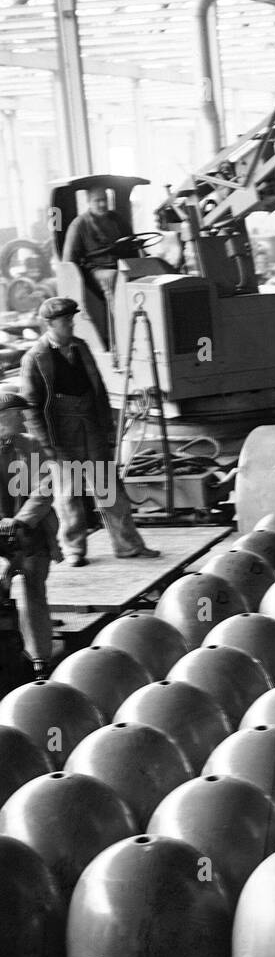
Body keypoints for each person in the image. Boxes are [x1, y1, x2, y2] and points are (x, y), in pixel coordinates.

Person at [19, 297, 159, 568]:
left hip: (91, 428)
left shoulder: (80, 348)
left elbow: (99, 390)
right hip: (61, 436)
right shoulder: (35, 358)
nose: (71, 323)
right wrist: (46, 444)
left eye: (72, 319)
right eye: (65, 320)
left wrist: (107, 427)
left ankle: (128, 546)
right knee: (68, 494)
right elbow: (31, 407)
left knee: (109, 490)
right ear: (49, 324)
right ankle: (74, 550)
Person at [0, 392, 62, 677]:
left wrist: (21, 519)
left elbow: (44, 489)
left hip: (31, 537)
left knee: (35, 596)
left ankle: (40, 659)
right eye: (17, 415)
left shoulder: (31, 446)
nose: (23, 419)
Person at [61, 188, 139, 347]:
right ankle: (121, 340)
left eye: (104, 199)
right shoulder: (79, 224)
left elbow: (133, 243)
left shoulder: (117, 220)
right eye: (98, 200)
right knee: (116, 278)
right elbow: (68, 261)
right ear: (88, 202)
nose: (102, 203)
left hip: (122, 265)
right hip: (96, 271)